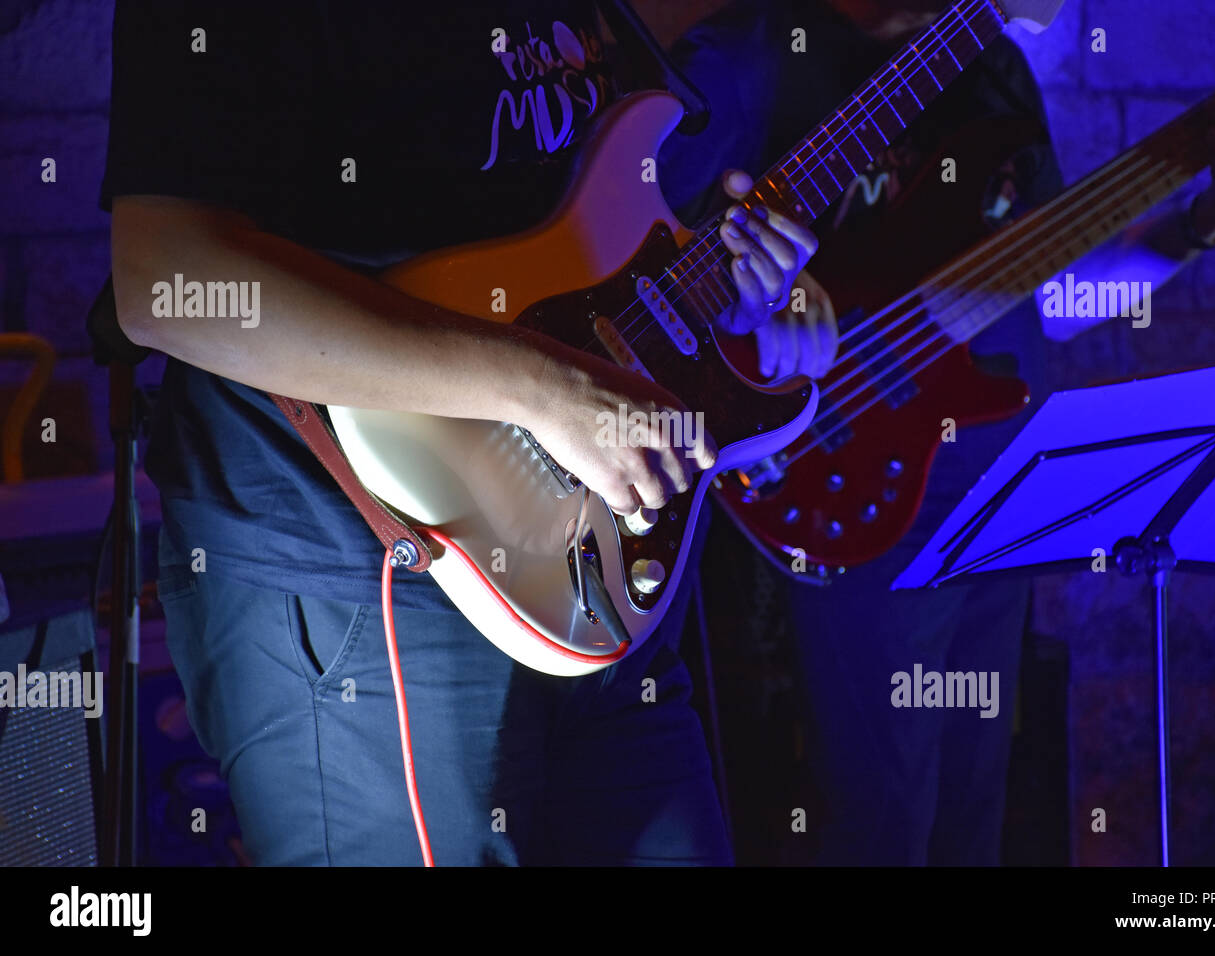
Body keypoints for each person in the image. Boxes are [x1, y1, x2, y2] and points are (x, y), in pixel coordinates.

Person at [101, 0, 820, 865]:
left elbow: (562, 223)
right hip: (362, 568)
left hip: (588, 566)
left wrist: (716, 290)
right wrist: (547, 391)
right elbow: (166, 278)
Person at [657, 0, 1215, 864]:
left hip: (995, 506)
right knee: (880, 827)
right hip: (846, 493)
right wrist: (760, 318)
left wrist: (1204, 217)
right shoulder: (756, 52)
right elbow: (651, 286)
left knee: (973, 823)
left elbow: (1054, 302)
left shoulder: (989, 64)